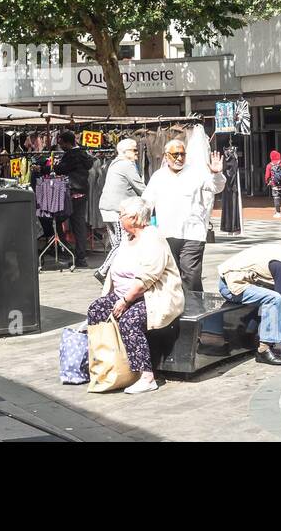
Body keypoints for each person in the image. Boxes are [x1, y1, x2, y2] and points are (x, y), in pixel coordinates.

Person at [85, 197, 184, 394]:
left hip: (152, 297)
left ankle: (147, 377)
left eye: (121, 214)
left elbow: (147, 278)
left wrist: (125, 301)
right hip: (125, 294)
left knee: (129, 321)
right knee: (96, 310)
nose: (119, 218)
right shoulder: (126, 238)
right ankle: (105, 363)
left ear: (134, 217)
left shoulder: (153, 239)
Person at [142, 136, 225, 292]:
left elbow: (216, 187)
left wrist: (217, 174)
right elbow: (147, 201)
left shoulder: (196, 173)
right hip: (167, 233)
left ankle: (195, 309)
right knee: (171, 276)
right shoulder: (158, 176)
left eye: (182, 154)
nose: (179, 158)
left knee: (191, 275)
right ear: (166, 156)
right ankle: (175, 310)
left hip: (193, 234)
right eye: (175, 155)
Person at [42, 130, 95, 267]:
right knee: (79, 225)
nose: (60, 146)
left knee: (55, 218)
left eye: (61, 143)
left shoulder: (72, 155)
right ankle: (80, 257)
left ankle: (65, 249)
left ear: (67, 142)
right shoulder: (84, 154)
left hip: (71, 193)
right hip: (82, 192)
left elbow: (60, 169)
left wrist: (43, 169)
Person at [96, 138, 144, 280]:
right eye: (134, 150)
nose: (137, 153)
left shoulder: (114, 163)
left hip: (107, 208)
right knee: (121, 244)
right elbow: (139, 187)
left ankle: (113, 273)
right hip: (117, 210)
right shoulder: (127, 164)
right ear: (124, 152)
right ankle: (102, 271)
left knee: (117, 243)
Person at [264, 150, 281, 218]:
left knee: (276, 198)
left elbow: (267, 176)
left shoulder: (269, 165)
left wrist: (267, 182)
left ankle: (278, 213)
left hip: (274, 185)